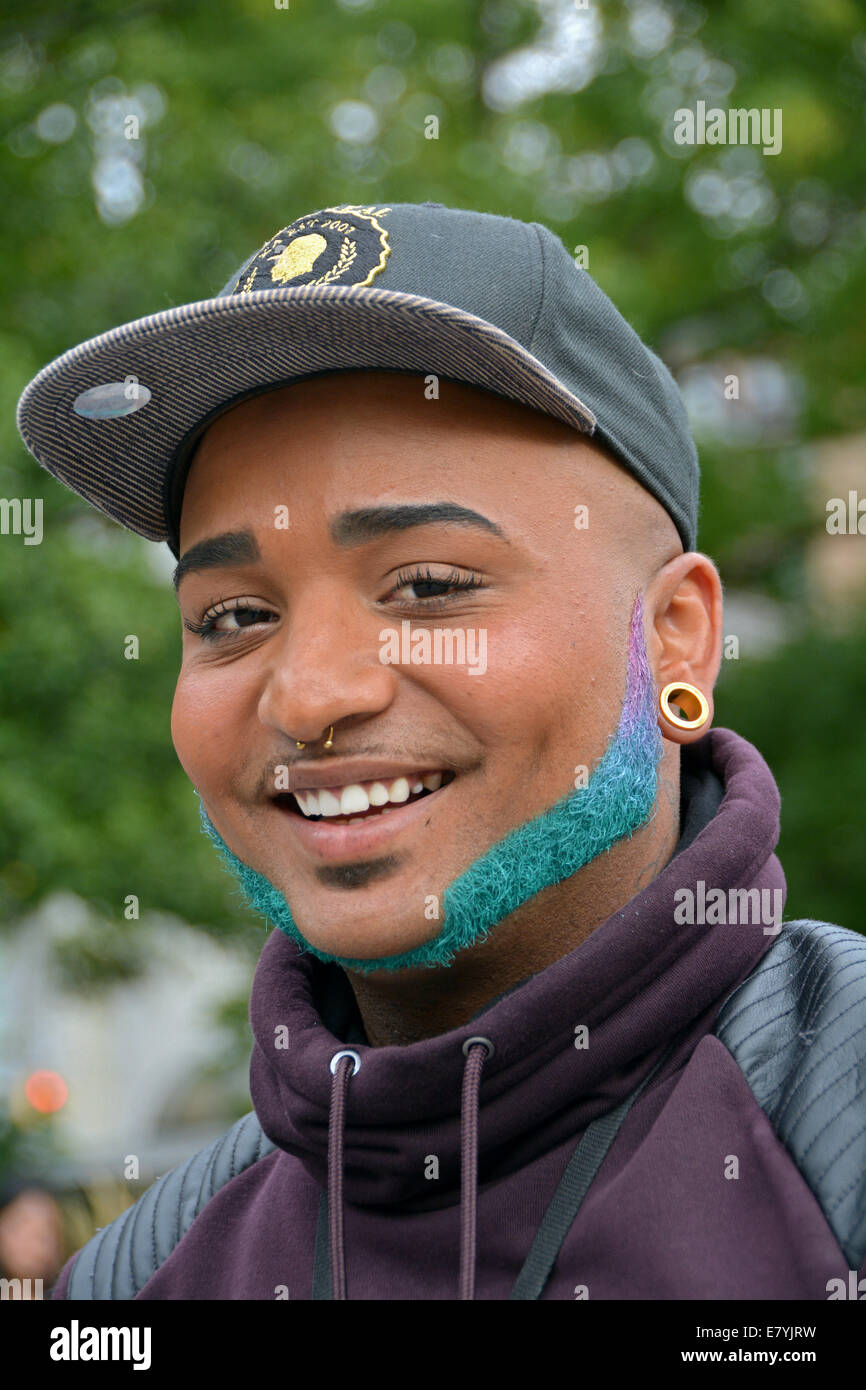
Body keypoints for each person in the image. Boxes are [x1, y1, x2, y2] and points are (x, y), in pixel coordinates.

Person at [16, 202, 866, 1301]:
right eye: (231, 616)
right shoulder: (142, 1274)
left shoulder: (829, 1130)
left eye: (427, 586)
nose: (313, 694)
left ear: (674, 639)